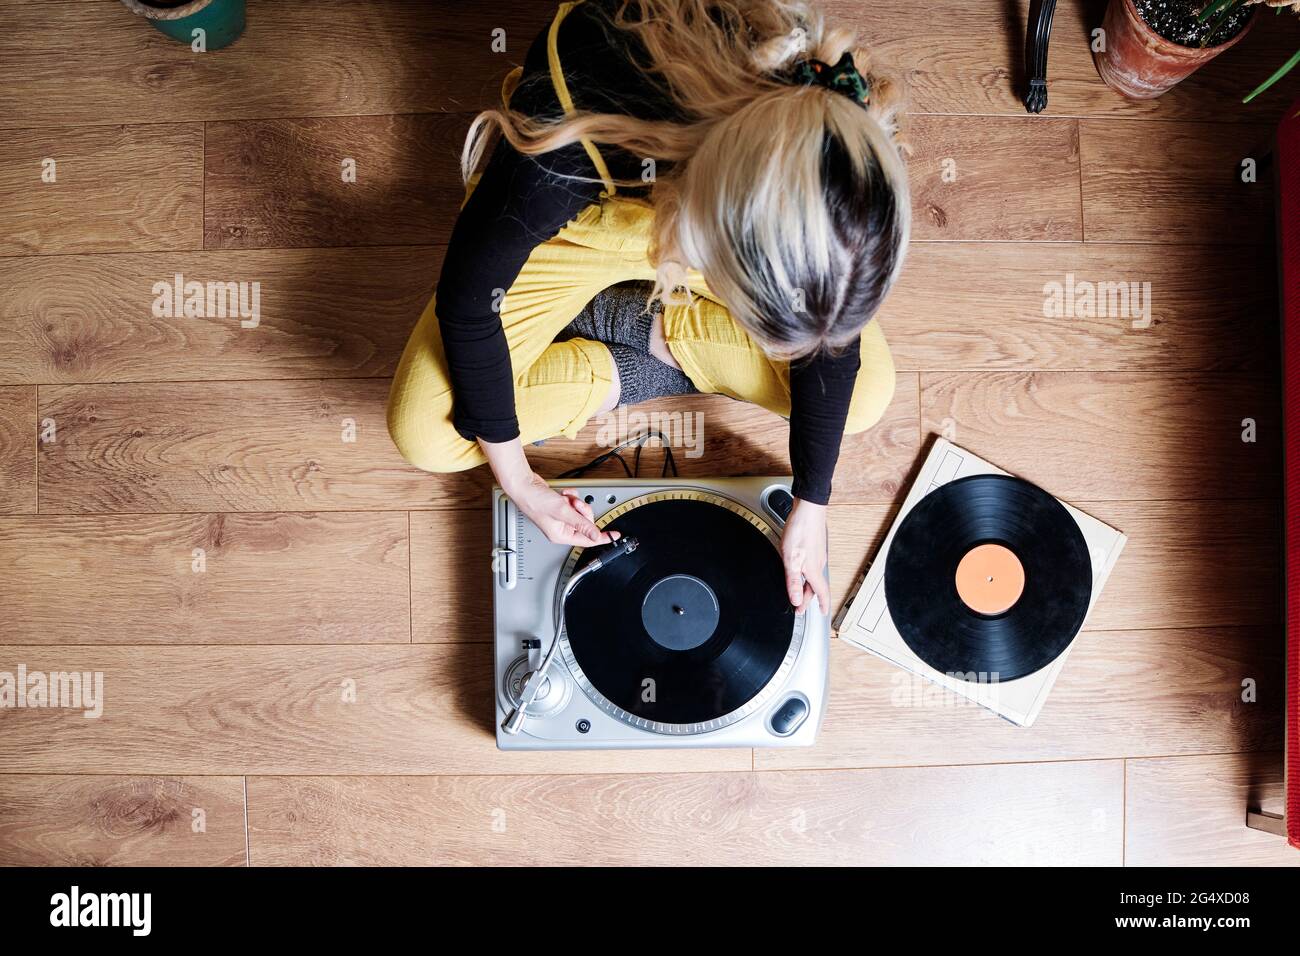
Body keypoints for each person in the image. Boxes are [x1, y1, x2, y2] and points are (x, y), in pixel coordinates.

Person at [387, 0, 910, 614]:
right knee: (424, 434)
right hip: (586, 220)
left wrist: (812, 502)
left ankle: (638, 339)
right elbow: (469, 302)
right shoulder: (564, 141)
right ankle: (629, 323)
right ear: (708, 245)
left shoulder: (837, 141)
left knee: (866, 394)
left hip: (708, 222)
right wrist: (522, 483)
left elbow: (829, 343)